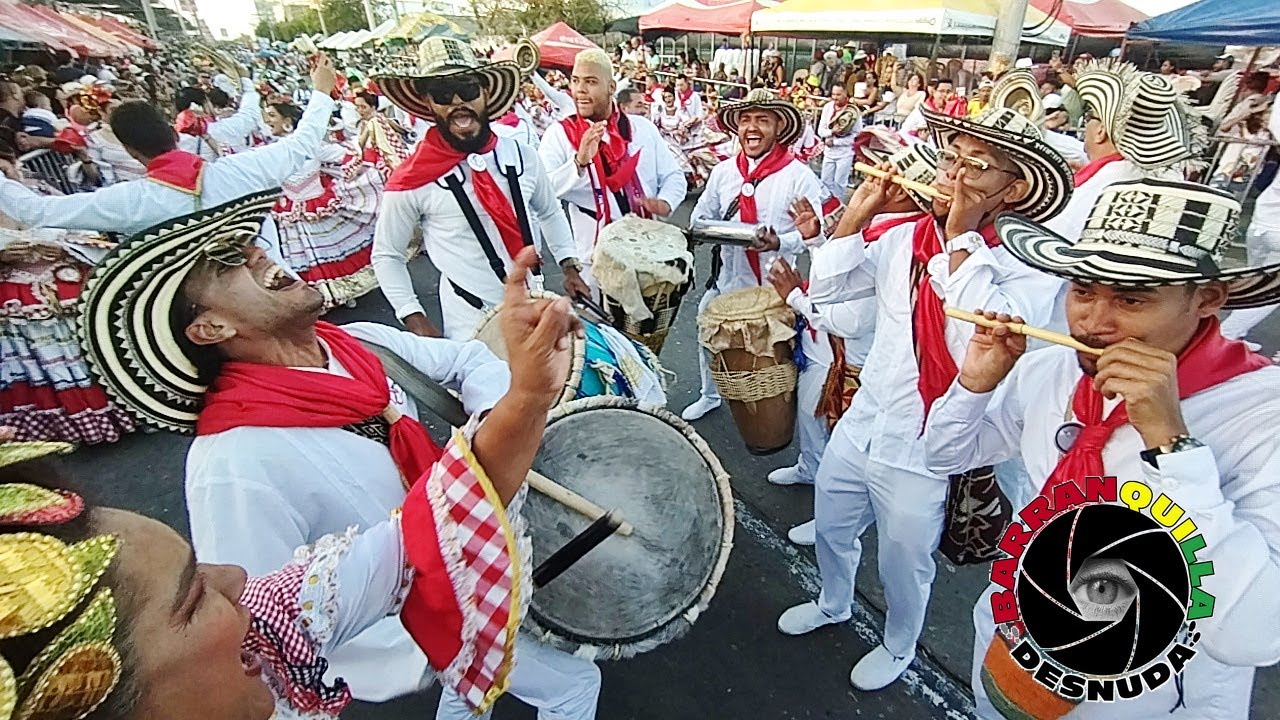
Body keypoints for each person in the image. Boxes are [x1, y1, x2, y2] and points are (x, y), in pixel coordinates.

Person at [1, 226, 586, 720]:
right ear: (210, 330)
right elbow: (270, 636)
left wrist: (501, 406)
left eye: (255, 252)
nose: (263, 259)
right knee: (571, 686)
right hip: (401, 636)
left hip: (467, 567)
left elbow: (462, 362)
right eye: (233, 268)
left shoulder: (354, 345)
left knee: (475, 688)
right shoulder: (232, 462)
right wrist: (522, 408)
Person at [923, 179, 1280, 720]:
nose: (1093, 322)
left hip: (1150, 696)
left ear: (1208, 299)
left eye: (1131, 298)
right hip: (1012, 637)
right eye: (1083, 290)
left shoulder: (1262, 414)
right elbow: (945, 456)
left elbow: (1252, 635)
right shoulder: (1055, 367)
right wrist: (975, 383)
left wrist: (1173, 445)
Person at [776, 106, 1072, 691]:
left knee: (902, 564)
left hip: (927, 447)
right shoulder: (902, 236)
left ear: (1010, 192)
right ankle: (834, 603)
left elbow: (976, 347)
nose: (954, 174)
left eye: (976, 168)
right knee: (833, 528)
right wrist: (853, 218)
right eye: (952, 158)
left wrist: (960, 238)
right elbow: (834, 298)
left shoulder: (1028, 267)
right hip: (864, 423)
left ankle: (900, 643)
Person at [0, 55, 339, 247]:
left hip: (199, 315)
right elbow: (301, 144)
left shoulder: (132, 200)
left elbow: (36, 211)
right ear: (171, 133)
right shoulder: (240, 169)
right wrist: (321, 92)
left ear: (132, 151)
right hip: (271, 279)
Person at [371, 38, 586, 339]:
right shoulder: (410, 179)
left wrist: (569, 265)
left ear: (485, 93)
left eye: (468, 89)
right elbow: (387, 255)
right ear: (429, 103)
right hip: (470, 322)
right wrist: (413, 316)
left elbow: (549, 212)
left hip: (536, 304)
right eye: (444, 94)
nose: (458, 101)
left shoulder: (522, 155)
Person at [781, 143, 937, 542]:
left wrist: (794, 297)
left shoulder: (902, 238)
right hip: (835, 354)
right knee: (811, 420)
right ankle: (812, 473)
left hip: (857, 364)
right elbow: (834, 286)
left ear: (900, 192)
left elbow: (848, 317)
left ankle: (836, 516)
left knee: (835, 439)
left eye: (879, 179)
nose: (867, 183)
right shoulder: (884, 231)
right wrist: (817, 242)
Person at [681, 89, 825, 422]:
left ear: (778, 128)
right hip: (728, 279)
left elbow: (812, 236)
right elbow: (699, 216)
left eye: (763, 120)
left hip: (773, 289)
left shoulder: (799, 176)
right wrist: (708, 231)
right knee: (707, 330)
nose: (752, 128)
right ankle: (710, 395)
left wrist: (779, 243)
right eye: (746, 119)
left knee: (776, 360)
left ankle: (776, 423)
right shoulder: (723, 172)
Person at [539, 49, 687, 295]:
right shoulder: (560, 134)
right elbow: (544, 192)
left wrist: (665, 202)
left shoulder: (643, 129)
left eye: (591, 82)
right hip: (594, 261)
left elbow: (674, 176)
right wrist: (578, 162)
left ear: (611, 87)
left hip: (647, 254)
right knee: (601, 331)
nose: (580, 90)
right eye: (575, 81)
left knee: (645, 332)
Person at [1045, 61, 1201, 240]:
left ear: (1101, 131)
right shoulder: (1153, 175)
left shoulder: (1110, 181)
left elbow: (1050, 238)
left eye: (1089, 116)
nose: (1086, 123)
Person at [259, 101, 383, 310]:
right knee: (308, 257)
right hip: (291, 214)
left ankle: (345, 290)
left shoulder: (310, 146)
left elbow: (346, 155)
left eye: (272, 115)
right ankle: (324, 294)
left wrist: (368, 138)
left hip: (318, 206)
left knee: (332, 249)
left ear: (287, 121)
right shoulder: (269, 151)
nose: (268, 120)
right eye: (267, 115)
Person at [1219, 98, 1280, 343]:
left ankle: (1227, 335)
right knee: (1269, 290)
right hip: (1273, 226)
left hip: (1263, 219)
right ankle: (1227, 336)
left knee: (1258, 283)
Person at [353, 89, 411, 178]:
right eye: (357, 107)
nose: (360, 110)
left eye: (363, 107)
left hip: (384, 166)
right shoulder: (362, 123)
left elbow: (388, 151)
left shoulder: (377, 122)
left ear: (373, 107)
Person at [817, 86, 860, 199]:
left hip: (845, 153)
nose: (835, 97)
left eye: (838, 95)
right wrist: (831, 132)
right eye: (833, 94)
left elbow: (856, 136)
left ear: (845, 94)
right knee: (825, 182)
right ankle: (825, 208)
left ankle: (838, 209)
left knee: (839, 184)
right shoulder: (828, 107)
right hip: (829, 152)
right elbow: (820, 130)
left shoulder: (853, 111)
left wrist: (836, 142)